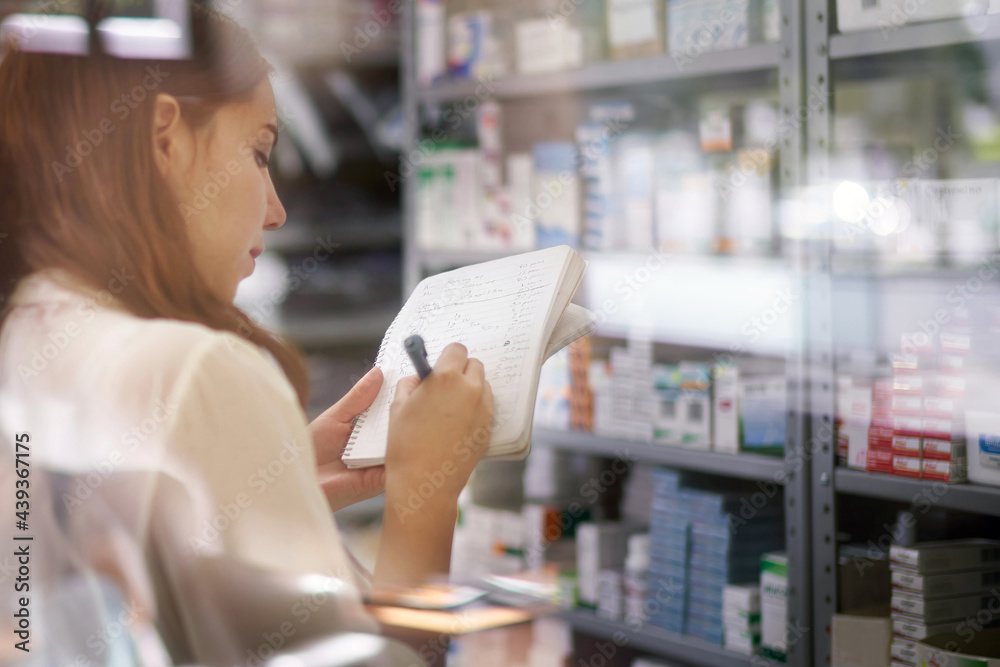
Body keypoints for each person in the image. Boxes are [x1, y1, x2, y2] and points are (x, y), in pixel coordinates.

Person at [0, 3, 493, 665]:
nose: (276, 208)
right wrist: (425, 491)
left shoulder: (29, 325)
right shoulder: (196, 369)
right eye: (259, 152)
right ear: (164, 138)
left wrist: (267, 473)